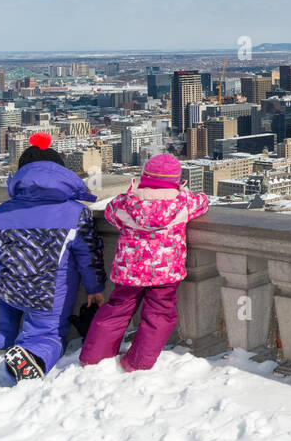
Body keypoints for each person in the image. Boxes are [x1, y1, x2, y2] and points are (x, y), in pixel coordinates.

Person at [0, 133, 106, 382]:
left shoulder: (2, 211)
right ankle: (33, 356)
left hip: (9, 285)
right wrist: (94, 287)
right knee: (47, 333)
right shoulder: (76, 212)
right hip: (48, 293)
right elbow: (89, 255)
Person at [80, 153, 209, 371]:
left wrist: (133, 194)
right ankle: (137, 362)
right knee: (160, 313)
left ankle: (95, 356)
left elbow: (111, 214)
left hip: (130, 270)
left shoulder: (126, 203)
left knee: (117, 309)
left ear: (145, 178)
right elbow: (204, 202)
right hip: (165, 272)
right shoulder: (183, 204)